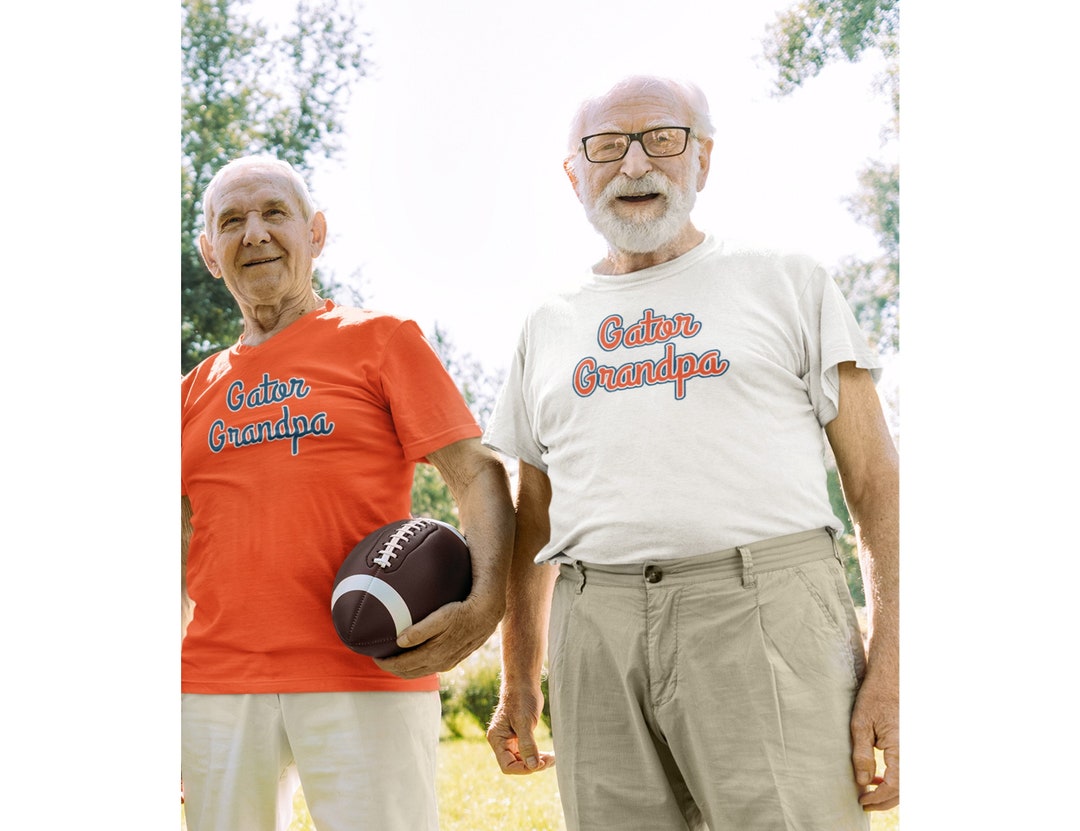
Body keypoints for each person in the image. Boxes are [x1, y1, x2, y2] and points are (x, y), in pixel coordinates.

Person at [483, 75, 899, 831]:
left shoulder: (788, 281)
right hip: (594, 631)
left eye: (662, 139)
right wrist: (519, 680)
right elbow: (532, 521)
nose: (634, 165)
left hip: (765, 613)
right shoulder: (546, 324)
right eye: (606, 147)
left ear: (702, 158)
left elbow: (875, 483)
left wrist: (895, 668)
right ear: (574, 174)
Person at [181, 155, 514, 831]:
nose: (256, 234)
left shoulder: (381, 340)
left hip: (367, 667)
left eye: (275, 213)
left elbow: (476, 472)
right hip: (216, 680)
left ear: (317, 232)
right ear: (210, 254)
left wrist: (483, 606)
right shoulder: (190, 391)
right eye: (232, 222)